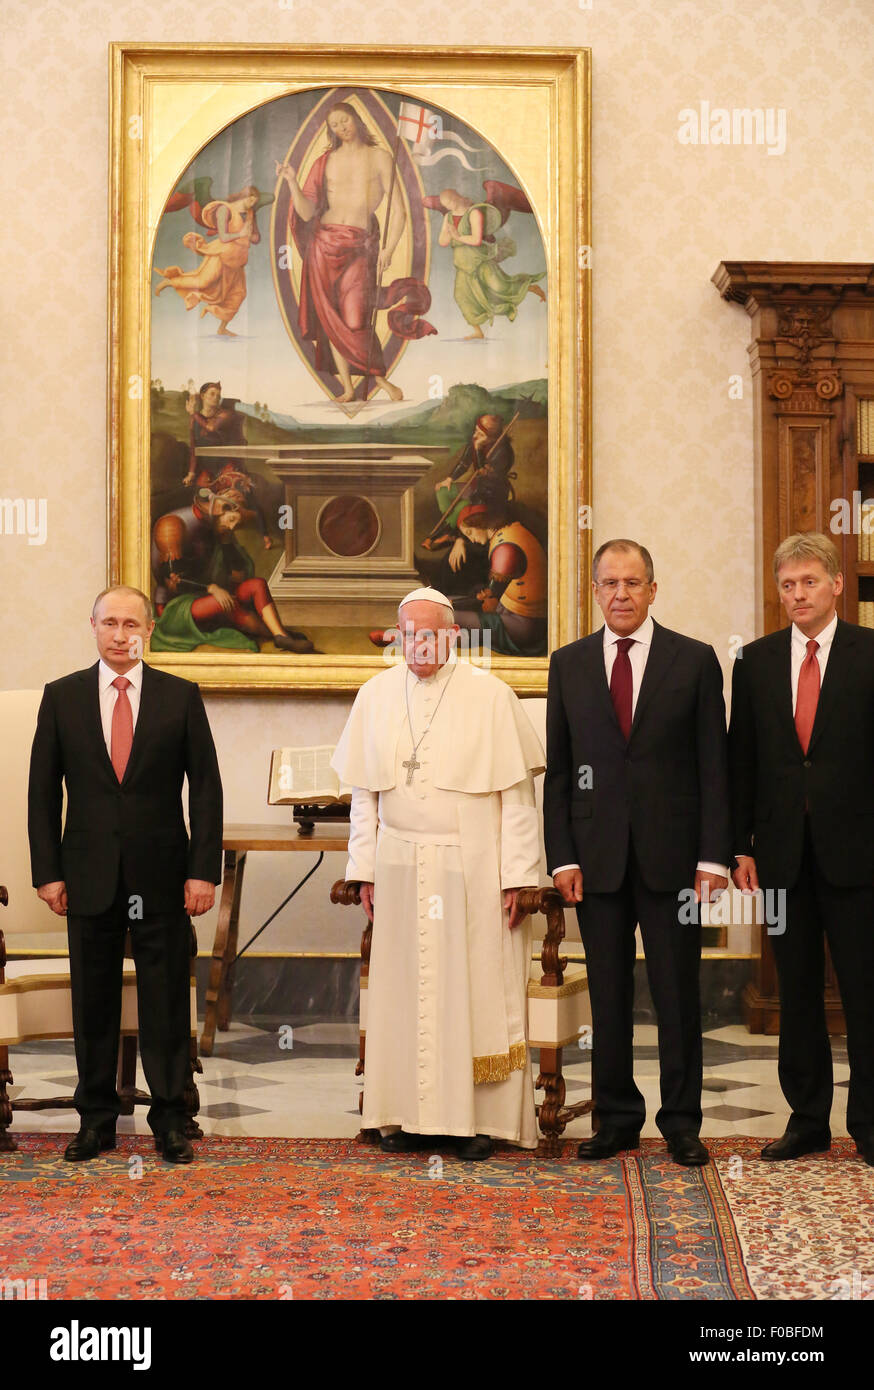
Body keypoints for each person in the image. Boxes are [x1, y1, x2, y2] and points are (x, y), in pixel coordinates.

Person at [331, 587, 544, 1157]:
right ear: (396, 637)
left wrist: (519, 878)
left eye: (432, 633)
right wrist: (364, 869)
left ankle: (479, 1122)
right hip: (399, 864)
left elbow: (519, 798)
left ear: (454, 636)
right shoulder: (374, 695)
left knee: (472, 991)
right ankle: (405, 1115)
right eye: (409, 634)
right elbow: (364, 797)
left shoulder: (492, 697)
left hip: (472, 864)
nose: (420, 644)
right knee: (404, 993)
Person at [544, 540, 730, 1166]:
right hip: (595, 861)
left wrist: (713, 858)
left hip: (675, 860)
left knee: (678, 991)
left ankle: (681, 1123)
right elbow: (562, 772)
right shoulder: (567, 664)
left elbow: (714, 768)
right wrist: (561, 857)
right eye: (608, 583)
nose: (620, 594)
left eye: (632, 582)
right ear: (594, 592)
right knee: (609, 995)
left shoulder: (696, 661)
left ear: (654, 589)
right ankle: (617, 1118)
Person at [28, 587, 224, 1164]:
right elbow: (42, 793)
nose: (120, 633)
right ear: (91, 626)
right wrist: (48, 872)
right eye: (109, 622)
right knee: (93, 1002)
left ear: (149, 629)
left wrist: (202, 873)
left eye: (131, 623)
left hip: (163, 876)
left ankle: (169, 1118)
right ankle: (95, 1119)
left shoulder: (179, 697)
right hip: (86, 875)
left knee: (165, 1000)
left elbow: (206, 791)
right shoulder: (61, 697)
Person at [729, 532, 874, 1167]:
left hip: (859, 856)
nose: (797, 594)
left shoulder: (871, 654)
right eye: (786, 584)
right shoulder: (755, 663)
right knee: (796, 988)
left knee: (866, 991)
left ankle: (869, 1124)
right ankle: (807, 1119)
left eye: (809, 581)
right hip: (781, 859)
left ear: (837, 584)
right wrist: (740, 847)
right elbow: (742, 763)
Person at [277, 102, 434, 404]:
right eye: (334, 125)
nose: (340, 128)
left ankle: (381, 380)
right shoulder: (325, 161)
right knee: (331, 320)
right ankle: (349, 388)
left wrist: (388, 249)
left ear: (357, 120)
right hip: (323, 246)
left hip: (360, 247)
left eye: (344, 121)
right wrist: (292, 182)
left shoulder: (380, 158)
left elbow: (400, 210)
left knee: (354, 319)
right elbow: (308, 212)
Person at [150, 486, 314, 653]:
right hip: (176, 605)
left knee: (257, 584)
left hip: (207, 596)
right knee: (227, 602)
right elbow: (172, 580)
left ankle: (280, 634)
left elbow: (238, 576)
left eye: (237, 524)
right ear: (219, 510)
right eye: (231, 520)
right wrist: (212, 588)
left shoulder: (216, 528)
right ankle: (277, 635)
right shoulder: (172, 525)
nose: (232, 527)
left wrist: (226, 543)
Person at [432, 186, 546, 339]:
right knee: (461, 296)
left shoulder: (474, 213)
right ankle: (478, 331)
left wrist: (457, 236)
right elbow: (442, 241)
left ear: (456, 198)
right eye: (445, 206)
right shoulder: (449, 217)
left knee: (499, 286)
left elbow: (476, 240)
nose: (448, 208)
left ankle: (530, 287)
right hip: (462, 263)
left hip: (480, 260)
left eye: (449, 204)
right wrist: (450, 234)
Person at [155, 187, 268, 335]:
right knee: (203, 281)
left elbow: (255, 238)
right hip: (222, 254)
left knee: (238, 294)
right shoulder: (224, 210)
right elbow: (223, 237)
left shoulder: (250, 214)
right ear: (245, 196)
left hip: (237, 260)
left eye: (255, 202)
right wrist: (241, 233)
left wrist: (250, 234)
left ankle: (222, 328)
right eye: (251, 199)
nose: (252, 204)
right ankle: (170, 282)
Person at [183, 381, 273, 549]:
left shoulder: (225, 415)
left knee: (247, 492)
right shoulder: (195, 420)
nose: (215, 398)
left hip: (227, 465)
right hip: (208, 468)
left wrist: (192, 414)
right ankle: (209, 538)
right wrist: (191, 473)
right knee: (199, 497)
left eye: (218, 395)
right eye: (211, 394)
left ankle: (265, 534)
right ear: (202, 396)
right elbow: (193, 448)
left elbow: (210, 428)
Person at [451, 502, 548, 656]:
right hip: (509, 611)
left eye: (470, 532)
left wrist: (453, 604)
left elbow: (489, 598)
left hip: (525, 625)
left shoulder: (506, 548)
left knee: (448, 614)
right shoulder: (508, 532)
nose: (471, 539)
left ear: (480, 523)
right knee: (447, 606)